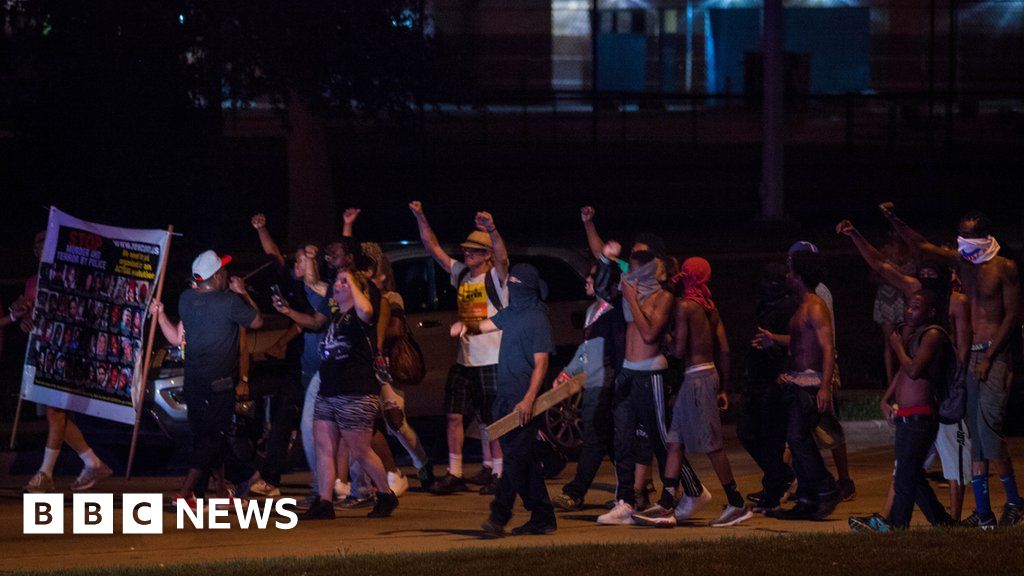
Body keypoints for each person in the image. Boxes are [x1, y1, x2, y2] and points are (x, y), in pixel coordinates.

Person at [883, 204, 1022, 527]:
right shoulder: (964, 263)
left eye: (970, 236)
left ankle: (1014, 501)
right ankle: (984, 511)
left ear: (985, 237)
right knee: (975, 434)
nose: (964, 242)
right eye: (961, 235)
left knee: (989, 433)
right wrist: (894, 219)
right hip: (972, 356)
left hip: (993, 355)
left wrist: (989, 357)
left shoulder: (1004, 268)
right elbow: (922, 245)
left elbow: (1012, 316)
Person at [837, 218, 972, 520]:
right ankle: (926, 522)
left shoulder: (954, 303)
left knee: (949, 463)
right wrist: (855, 234)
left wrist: (958, 390)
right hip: (916, 394)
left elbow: (960, 351)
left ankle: (943, 519)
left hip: (941, 394)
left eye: (930, 269)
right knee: (907, 468)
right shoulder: (916, 294)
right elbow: (881, 266)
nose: (923, 274)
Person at [637, 257, 751, 528]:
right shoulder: (710, 307)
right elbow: (724, 348)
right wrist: (723, 386)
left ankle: (736, 502)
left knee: (712, 444)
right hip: (706, 375)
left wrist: (662, 337)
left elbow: (678, 351)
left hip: (696, 377)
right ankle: (666, 503)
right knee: (674, 440)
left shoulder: (685, 307)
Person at [597, 248, 706, 525]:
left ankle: (694, 490)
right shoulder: (636, 286)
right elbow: (605, 255)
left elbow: (649, 334)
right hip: (628, 374)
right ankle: (625, 501)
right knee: (622, 439)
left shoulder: (664, 297)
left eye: (652, 268)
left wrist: (632, 300)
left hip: (651, 375)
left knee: (660, 439)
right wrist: (588, 224)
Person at [408, 201, 509, 495]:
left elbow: (502, 257)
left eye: (474, 250)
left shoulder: (496, 278)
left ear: (486, 254)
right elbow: (434, 249)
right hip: (464, 357)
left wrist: (491, 229)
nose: (467, 253)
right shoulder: (463, 274)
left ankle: (499, 473)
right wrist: (420, 216)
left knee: (494, 420)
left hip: (491, 357)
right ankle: (454, 472)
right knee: (453, 414)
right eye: (466, 249)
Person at [151, 250, 263, 504]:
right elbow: (256, 321)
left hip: (193, 383)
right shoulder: (229, 302)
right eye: (223, 272)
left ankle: (222, 490)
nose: (226, 275)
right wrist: (242, 292)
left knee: (211, 436)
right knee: (211, 438)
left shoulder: (187, 299)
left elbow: (176, 337)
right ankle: (186, 491)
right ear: (216, 276)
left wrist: (160, 316)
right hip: (219, 383)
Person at [453, 264, 557, 536]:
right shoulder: (512, 313)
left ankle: (498, 518)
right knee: (524, 463)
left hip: (522, 403)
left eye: (514, 284)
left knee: (512, 463)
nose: (510, 288)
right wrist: (465, 326)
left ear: (525, 288)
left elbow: (542, 364)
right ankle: (543, 517)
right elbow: (484, 326)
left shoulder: (537, 319)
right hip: (506, 397)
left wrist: (528, 400)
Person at [849, 290, 956, 531]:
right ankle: (942, 522)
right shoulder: (915, 335)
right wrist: (885, 399)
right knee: (912, 474)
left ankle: (898, 525)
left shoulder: (933, 335)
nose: (909, 310)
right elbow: (902, 372)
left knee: (906, 476)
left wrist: (897, 345)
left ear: (930, 312)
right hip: (906, 418)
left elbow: (915, 369)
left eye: (916, 307)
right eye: (908, 306)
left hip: (921, 416)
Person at [345, 208, 435, 490]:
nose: (362, 271)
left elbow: (395, 328)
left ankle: (422, 463)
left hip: (384, 366)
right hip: (362, 365)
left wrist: (374, 324)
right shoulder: (355, 295)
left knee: (395, 421)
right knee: (364, 423)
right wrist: (347, 227)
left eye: (367, 267)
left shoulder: (389, 296)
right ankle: (375, 478)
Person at [300, 267, 399, 520]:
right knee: (323, 444)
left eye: (346, 282)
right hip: (329, 389)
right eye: (337, 281)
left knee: (359, 450)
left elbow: (366, 310)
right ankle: (324, 502)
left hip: (355, 390)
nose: (339, 285)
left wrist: (355, 283)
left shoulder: (362, 316)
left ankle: (386, 494)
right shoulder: (336, 318)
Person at [245, 213, 327, 498]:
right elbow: (274, 255)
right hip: (297, 365)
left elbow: (314, 322)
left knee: (318, 425)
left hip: (319, 367)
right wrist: (262, 228)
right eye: (299, 259)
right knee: (283, 416)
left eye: (304, 259)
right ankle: (269, 477)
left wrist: (288, 320)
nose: (297, 263)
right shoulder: (292, 281)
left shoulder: (320, 291)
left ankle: (337, 482)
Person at [754, 250, 839, 520]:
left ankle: (826, 488)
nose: (787, 275)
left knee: (797, 438)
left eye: (791, 271)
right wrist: (773, 340)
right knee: (795, 438)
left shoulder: (815, 306)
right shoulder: (801, 306)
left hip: (810, 382)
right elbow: (800, 341)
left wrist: (825, 386)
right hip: (796, 381)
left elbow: (827, 347)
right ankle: (806, 499)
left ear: (800, 276)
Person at [551, 251, 626, 512]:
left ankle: (575, 492)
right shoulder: (592, 311)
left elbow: (612, 276)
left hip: (606, 384)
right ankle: (632, 493)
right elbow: (585, 350)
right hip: (593, 384)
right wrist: (567, 372)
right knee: (607, 440)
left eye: (592, 276)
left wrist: (607, 260)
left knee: (595, 439)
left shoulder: (615, 308)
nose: (586, 280)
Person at [784, 241, 855, 502]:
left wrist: (825, 383)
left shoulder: (817, 297)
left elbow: (824, 342)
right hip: (805, 374)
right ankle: (799, 483)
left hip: (818, 373)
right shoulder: (800, 295)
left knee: (826, 428)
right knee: (800, 432)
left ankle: (838, 481)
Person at [739, 263, 799, 512]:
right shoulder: (765, 305)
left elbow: (800, 342)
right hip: (758, 378)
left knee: (771, 438)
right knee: (749, 433)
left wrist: (784, 370)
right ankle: (780, 477)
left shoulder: (791, 307)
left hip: (775, 381)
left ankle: (775, 489)